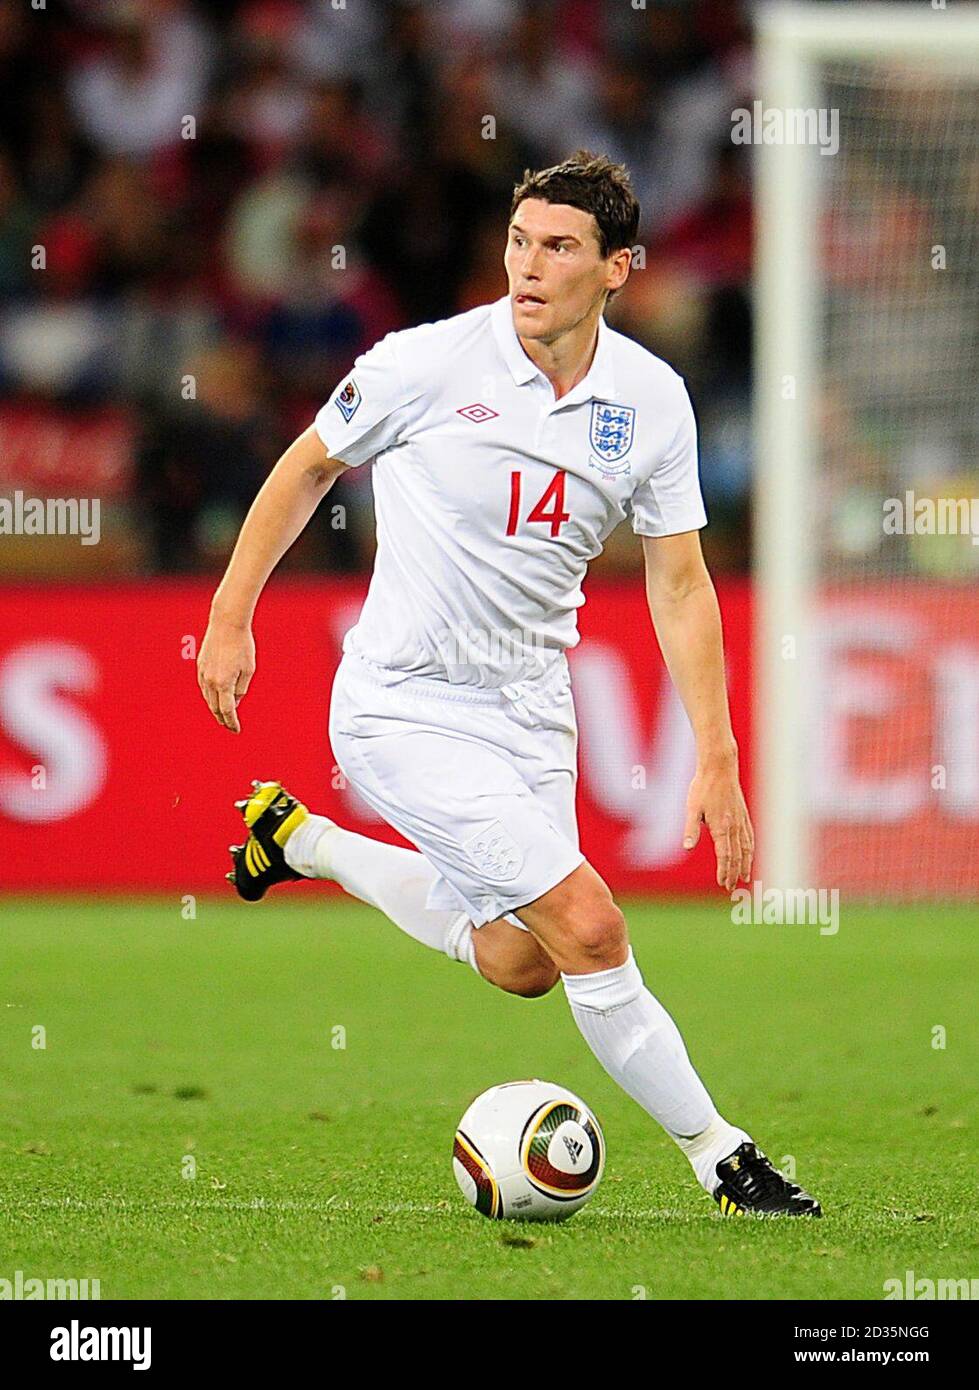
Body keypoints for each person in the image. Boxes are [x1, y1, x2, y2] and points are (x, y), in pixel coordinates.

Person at [197, 151, 821, 1218]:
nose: (529, 267)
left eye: (561, 248)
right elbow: (307, 464)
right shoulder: (426, 363)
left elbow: (679, 582)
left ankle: (297, 841)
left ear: (618, 268)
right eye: (519, 242)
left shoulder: (651, 403)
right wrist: (229, 614)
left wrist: (716, 749)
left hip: (531, 706)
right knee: (591, 926)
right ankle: (724, 1157)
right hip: (403, 703)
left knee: (521, 959)